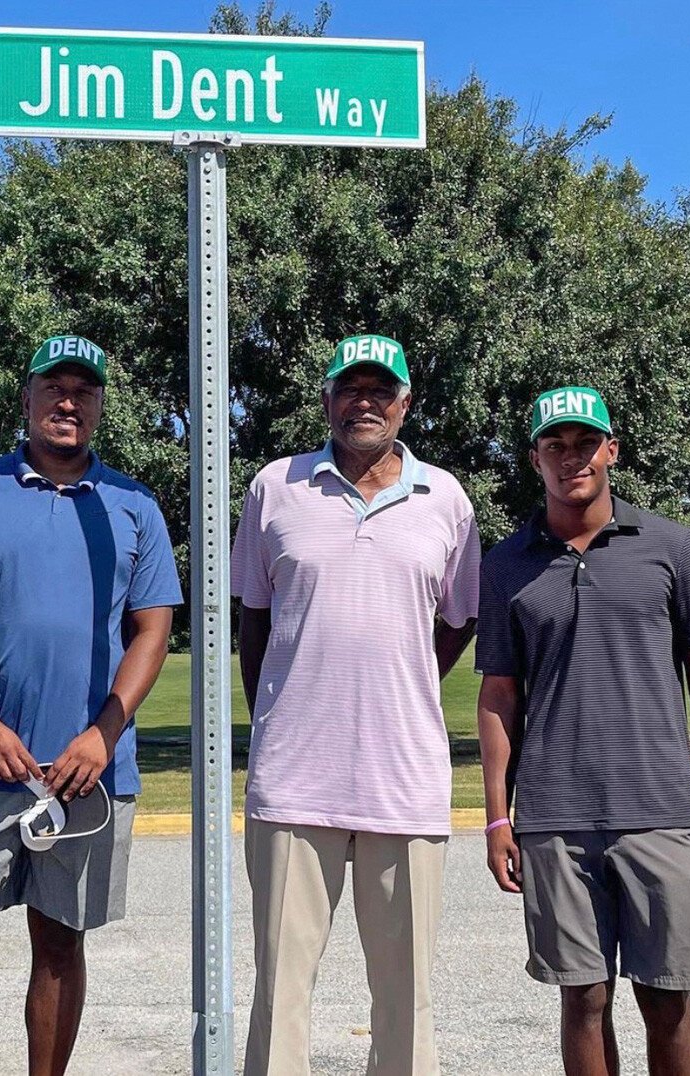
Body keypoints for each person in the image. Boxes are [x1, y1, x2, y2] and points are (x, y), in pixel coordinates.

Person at [0, 335, 182, 1076]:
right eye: (52, 388)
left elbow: (152, 630)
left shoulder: (133, 505)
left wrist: (103, 732)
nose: (67, 402)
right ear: (25, 400)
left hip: (87, 772)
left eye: (83, 391)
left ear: (99, 407)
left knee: (61, 943)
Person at [231, 334, 481, 1076]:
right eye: (350, 389)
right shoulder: (276, 487)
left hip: (405, 784)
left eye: (380, 390)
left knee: (407, 1003)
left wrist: (406, 682)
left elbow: (459, 619)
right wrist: (281, 711)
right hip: (292, 782)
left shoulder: (448, 500)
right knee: (279, 1000)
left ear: (405, 403)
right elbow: (253, 620)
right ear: (328, 401)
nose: (363, 402)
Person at [477, 386, 690, 1076]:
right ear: (535, 459)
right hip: (556, 814)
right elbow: (497, 696)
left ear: (611, 449)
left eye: (585, 443)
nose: (571, 457)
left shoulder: (669, 545)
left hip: (658, 809)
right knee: (583, 997)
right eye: (555, 445)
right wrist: (498, 819)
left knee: (668, 999)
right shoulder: (505, 564)